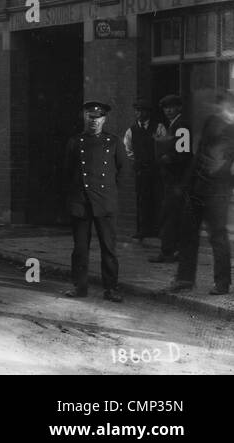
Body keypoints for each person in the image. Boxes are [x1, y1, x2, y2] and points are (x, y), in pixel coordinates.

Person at [62, 101, 127, 302]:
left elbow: (123, 170)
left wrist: (110, 193)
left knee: (109, 248)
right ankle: (79, 286)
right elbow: (67, 172)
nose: (94, 121)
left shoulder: (113, 141)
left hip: (105, 202)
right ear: (85, 118)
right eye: (90, 117)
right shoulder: (75, 142)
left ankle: (111, 289)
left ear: (104, 119)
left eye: (98, 118)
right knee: (80, 248)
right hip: (81, 202)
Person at [171, 91, 234, 295]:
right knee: (188, 233)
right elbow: (199, 153)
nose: (219, 108)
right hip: (197, 188)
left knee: (218, 236)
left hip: (218, 191)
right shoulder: (211, 122)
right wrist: (186, 184)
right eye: (219, 104)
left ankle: (222, 283)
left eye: (224, 105)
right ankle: (184, 280)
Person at [150, 94, 191, 263]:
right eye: (166, 108)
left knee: (170, 215)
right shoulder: (174, 125)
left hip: (176, 180)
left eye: (172, 107)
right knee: (175, 215)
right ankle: (176, 251)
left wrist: (165, 158)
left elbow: (183, 154)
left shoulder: (180, 126)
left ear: (179, 108)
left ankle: (167, 252)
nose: (168, 110)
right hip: (176, 180)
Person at [123, 100, 159, 240]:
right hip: (141, 170)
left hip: (156, 169)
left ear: (148, 113)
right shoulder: (131, 130)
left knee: (157, 198)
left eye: (143, 111)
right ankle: (143, 230)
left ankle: (156, 229)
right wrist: (138, 161)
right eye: (137, 111)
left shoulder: (158, 127)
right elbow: (128, 149)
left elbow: (163, 145)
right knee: (142, 199)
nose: (139, 113)